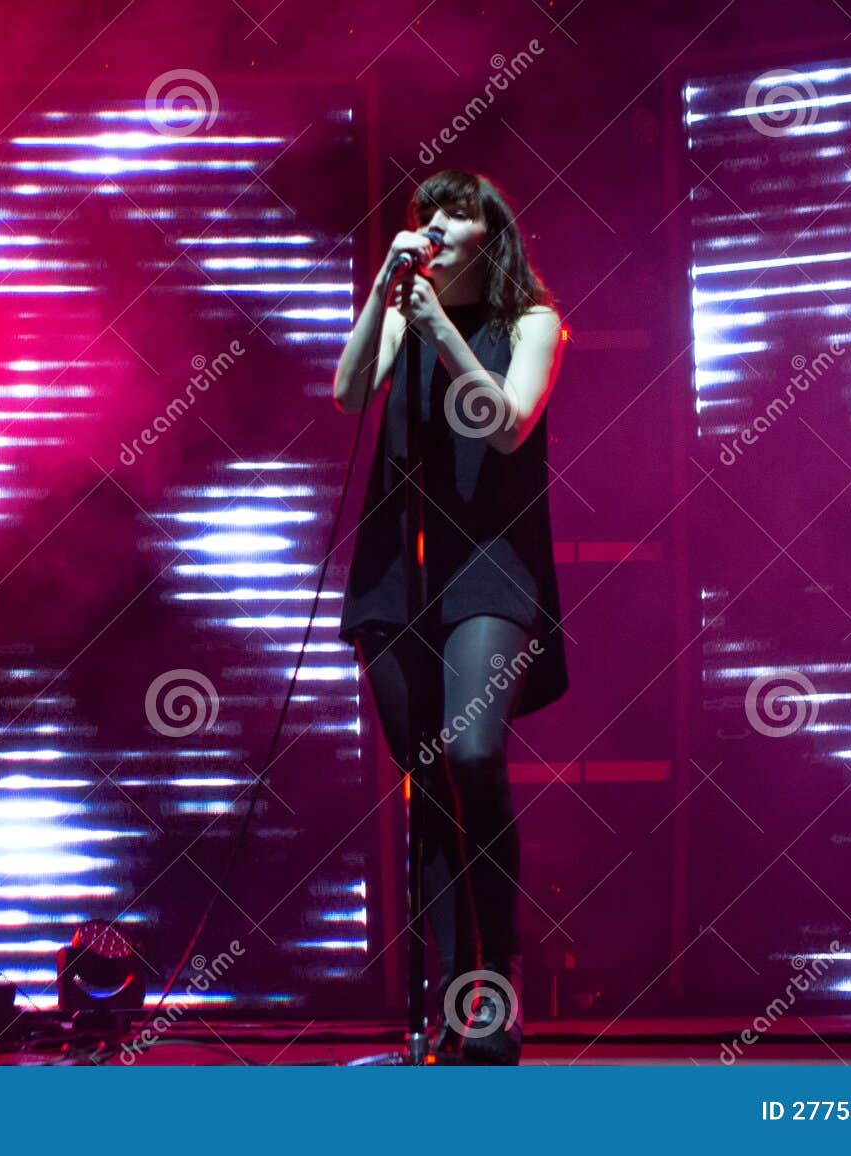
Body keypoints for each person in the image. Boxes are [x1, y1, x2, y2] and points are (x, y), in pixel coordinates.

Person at [332, 169, 568, 1064]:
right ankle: (448, 1006)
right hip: (398, 567)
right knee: (424, 779)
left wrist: (438, 329)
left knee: (470, 751)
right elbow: (352, 396)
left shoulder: (531, 322)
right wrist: (384, 306)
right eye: (422, 213)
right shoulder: (403, 307)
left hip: (491, 568)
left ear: (490, 232)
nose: (432, 225)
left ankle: (497, 985)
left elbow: (502, 424)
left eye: (453, 213)